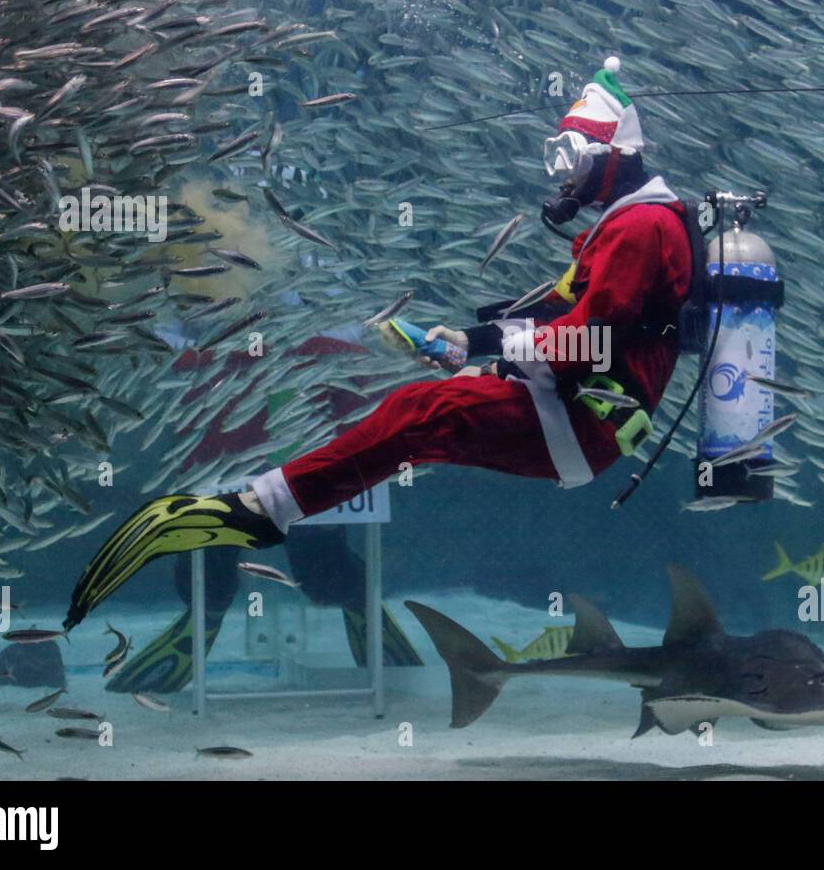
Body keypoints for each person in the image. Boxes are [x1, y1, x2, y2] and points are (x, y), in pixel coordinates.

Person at [64, 57, 692, 631]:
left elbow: (590, 339)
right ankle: (272, 509)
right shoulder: (626, 224)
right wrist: (467, 343)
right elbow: (557, 312)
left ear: (613, 155)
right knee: (417, 415)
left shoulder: (640, 228)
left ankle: (263, 511)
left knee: (421, 416)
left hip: (586, 423)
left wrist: (503, 360)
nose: (564, 175)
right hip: (576, 410)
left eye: (572, 157)